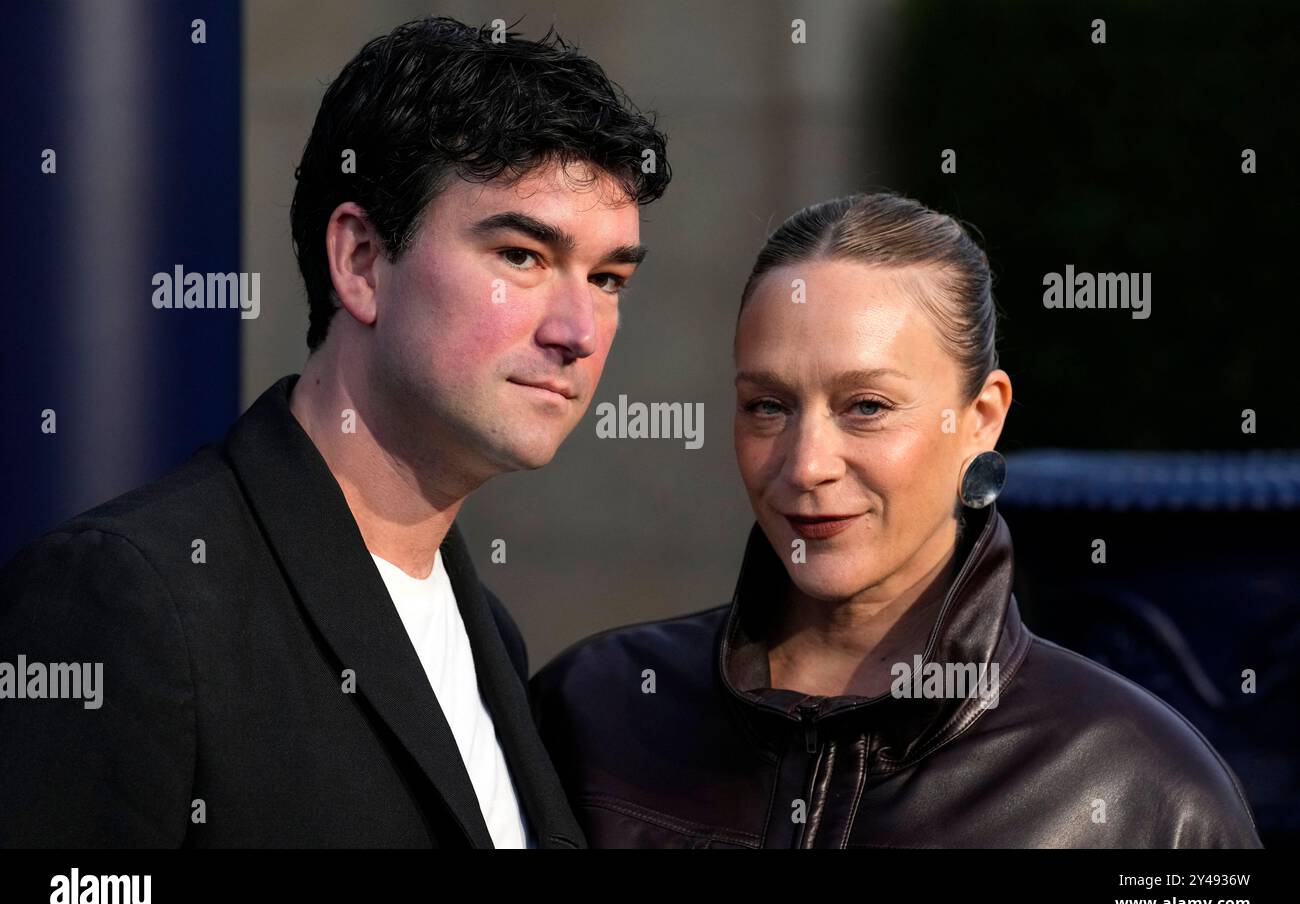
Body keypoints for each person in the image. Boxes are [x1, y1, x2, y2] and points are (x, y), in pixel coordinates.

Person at [0, 15, 669, 848]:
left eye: (607, 278)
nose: (579, 329)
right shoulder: (129, 595)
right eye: (522, 256)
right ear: (359, 259)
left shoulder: (487, 628)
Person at [529, 191, 1263, 848]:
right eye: (767, 406)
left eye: (867, 408)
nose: (807, 463)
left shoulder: (1146, 791)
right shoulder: (594, 709)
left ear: (982, 418)